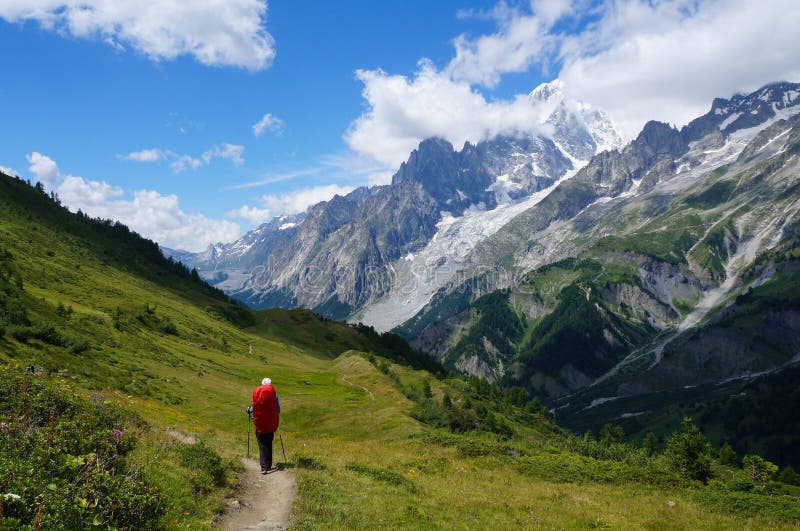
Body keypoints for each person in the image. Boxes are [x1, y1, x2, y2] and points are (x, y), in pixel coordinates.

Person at [247, 377, 281, 474]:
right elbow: (278, 410)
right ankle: (269, 465)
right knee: (269, 444)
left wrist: (249, 410)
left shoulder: (258, 394)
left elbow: (255, 407)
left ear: (262, 385)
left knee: (262, 445)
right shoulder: (275, 394)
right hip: (270, 425)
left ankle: (264, 467)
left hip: (260, 425)